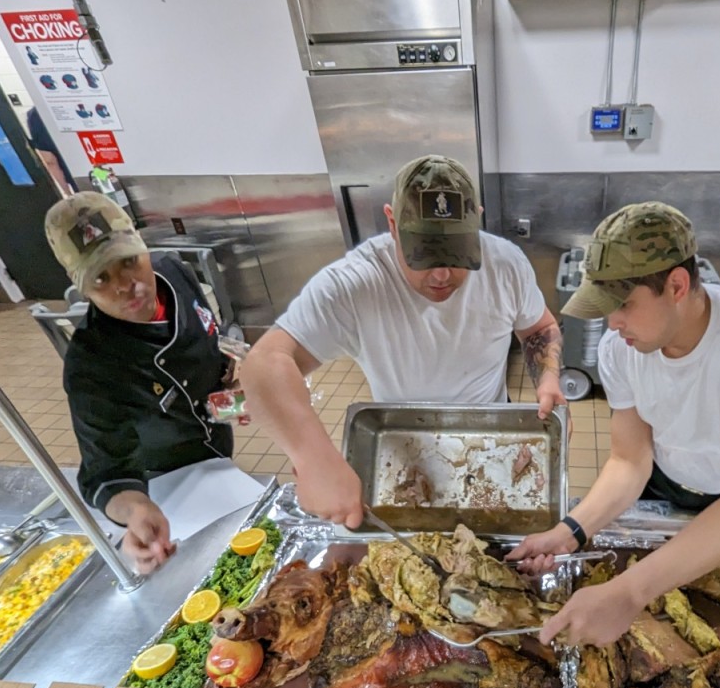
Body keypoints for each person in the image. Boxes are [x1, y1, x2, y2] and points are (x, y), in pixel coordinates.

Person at [507, 202, 720, 647]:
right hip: (660, 482)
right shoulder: (621, 349)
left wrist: (629, 592)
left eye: (623, 305)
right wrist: (569, 532)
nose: (612, 323)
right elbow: (629, 459)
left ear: (676, 284)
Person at [241, 154, 565, 529]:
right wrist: (315, 460)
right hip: (401, 445)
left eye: (457, 256)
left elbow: (538, 328)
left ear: (476, 219)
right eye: (424, 256)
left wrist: (548, 377)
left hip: (490, 438)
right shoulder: (355, 284)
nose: (442, 274)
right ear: (392, 224)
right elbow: (264, 363)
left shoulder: (506, 264)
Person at [46, 192, 235, 572]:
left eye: (129, 261)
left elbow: (206, 338)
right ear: (82, 287)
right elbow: (106, 473)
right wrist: (136, 509)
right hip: (167, 485)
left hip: (219, 454)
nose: (126, 285)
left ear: (143, 246)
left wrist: (230, 371)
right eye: (101, 278)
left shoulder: (175, 272)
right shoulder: (91, 364)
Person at [26, 107, 76, 196]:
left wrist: (69, 194)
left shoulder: (35, 115)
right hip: (102, 170)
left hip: (80, 179)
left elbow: (50, 160)